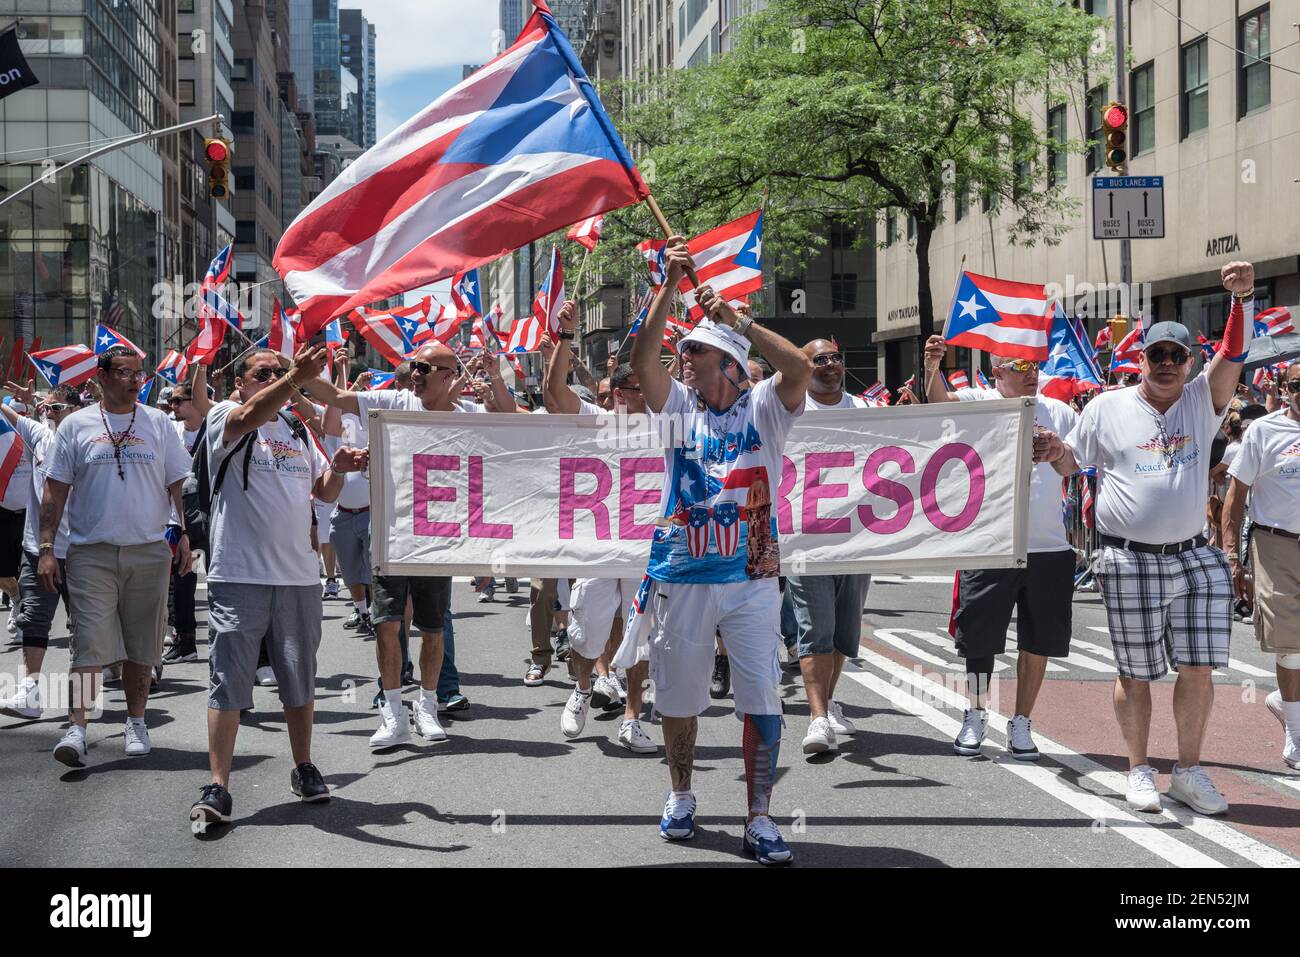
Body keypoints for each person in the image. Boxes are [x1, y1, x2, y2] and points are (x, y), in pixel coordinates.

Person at [618, 237, 812, 865]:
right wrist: (668, 286)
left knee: (759, 695)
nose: (684, 361)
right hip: (684, 574)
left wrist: (739, 321)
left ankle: (759, 815)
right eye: (684, 353)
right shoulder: (678, 409)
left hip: (754, 576)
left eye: (695, 352)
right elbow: (643, 362)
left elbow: (800, 369)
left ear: (730, 363)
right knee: (677, 697)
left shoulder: (762, 407)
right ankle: (681, 794)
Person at [1039, 261, 1252, 815]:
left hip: (1195, 559)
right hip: (1128, 559)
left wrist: (1242, 299)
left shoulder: (1203, 400)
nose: (1164, 364)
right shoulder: (1108, 406)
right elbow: (1072, 465)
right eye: (1155, 355)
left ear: (1188, 363)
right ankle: (1138, 770)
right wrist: (1054, 450)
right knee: (1135, 672)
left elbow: (1235, 354)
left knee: (1199, 668)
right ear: (1141, 359)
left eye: (1175, 356)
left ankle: (1187, 770)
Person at [188, 347, 365, 827]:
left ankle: (303, 766)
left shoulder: (295, 428)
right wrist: (294, 378)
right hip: (239, 574)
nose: (277, 377)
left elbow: (321, 492)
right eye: (263, 372)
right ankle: (219, 785)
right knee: (229, 681)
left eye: (280, 370)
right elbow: (250, 413)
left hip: (299, 577)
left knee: (298, 677)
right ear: (240, 382)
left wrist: (339, 469)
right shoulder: (228, 415)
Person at [303, 342, 511, 749]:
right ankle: (393, 710)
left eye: (425, 367)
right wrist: (298, 371)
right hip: (390, 535)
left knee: (433, 628)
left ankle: (428, 705)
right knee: (387, 626)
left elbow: (510, 421)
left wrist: (498, 376)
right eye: (413, 365)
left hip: (436, 541)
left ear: (449, 376)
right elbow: (331, 396)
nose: (414, 372)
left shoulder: (463, 415)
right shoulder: (390, 400)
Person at [922, 335, 1079, 760]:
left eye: (1035, 367)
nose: (1032, 376)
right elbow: (939, 405)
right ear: (998, 372)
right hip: (990, 540)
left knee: (1039, 638)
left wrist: (1058, 450)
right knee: (979, 637)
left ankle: (1022, 720)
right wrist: (932, 367)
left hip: (1048, 544)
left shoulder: (1058, 410)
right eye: (1020, 368)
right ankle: (975, 713)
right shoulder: (980, 399)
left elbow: (1075, 466)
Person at [40, 346, 192, 767]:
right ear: (101, 377)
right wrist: (48, 548)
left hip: (149, 550)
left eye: (138, 374)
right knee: (88, 644)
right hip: (91, 552)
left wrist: (182, 534)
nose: (134, 380)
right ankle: (77, 728)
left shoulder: (159, 423)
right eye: (124, 373)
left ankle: (137, 721)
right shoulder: (75, 426)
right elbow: (54, 491)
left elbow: (176, 485)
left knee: (143, 645)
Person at [544, 304, 655, 753]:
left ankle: (632, 717)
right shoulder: (594, 419)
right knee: (587, 632)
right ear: (624, 392)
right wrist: (566, 336)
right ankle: (583, 689)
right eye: (641, 387)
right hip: (596, 547)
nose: (651, 393)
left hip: (646, 550)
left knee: (640, 636)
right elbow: (553, 396)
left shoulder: (666, 425)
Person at [789, 339, 874, 754]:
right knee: (814, 629)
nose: (830, 365)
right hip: (806, 541)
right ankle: (817, 717)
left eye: (836, 357)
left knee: (843, 631)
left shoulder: (865, 410)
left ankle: (829, 701)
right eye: (819, 359)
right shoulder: (790, 408)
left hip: (857, 540)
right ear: (804, 366)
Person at [1223, 361, 1300, 771]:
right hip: (1276, 544)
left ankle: (1285, 702)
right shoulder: (1264, 430)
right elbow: (1235, 496)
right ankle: (1296, 733)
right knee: (1290, 641)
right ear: (1285, 389)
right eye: (1298, 384)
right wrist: (1232, 555)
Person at [0, 384, 83, 719]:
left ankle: (85, 703)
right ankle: (30, 692)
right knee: (33, 619)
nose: (50, 414)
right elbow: (10, 414)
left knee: (88, 626)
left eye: (57, 408)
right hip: (39, 548)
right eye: (47, 408)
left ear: (76, 410)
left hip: (82, 551)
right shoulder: (39, 436)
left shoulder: (88, 440)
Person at [321, 352, 375, 637]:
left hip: (370, 511)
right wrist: (341, 371)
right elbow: (332, 411)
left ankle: (379, 615)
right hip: (343, 513)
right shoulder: (334, 426)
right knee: (351, 571)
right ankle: (363, 612)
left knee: (373, 570)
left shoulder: (371, 421)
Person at [160, 370, 212, 664]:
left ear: (196, 401)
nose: (173, 406)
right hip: (181, 523)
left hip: (211, 518)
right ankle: (186, 643)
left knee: (220, 582)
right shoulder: (171, 432)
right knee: (182, 582)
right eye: (171, 401)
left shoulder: (214, 428)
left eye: (178, 400)